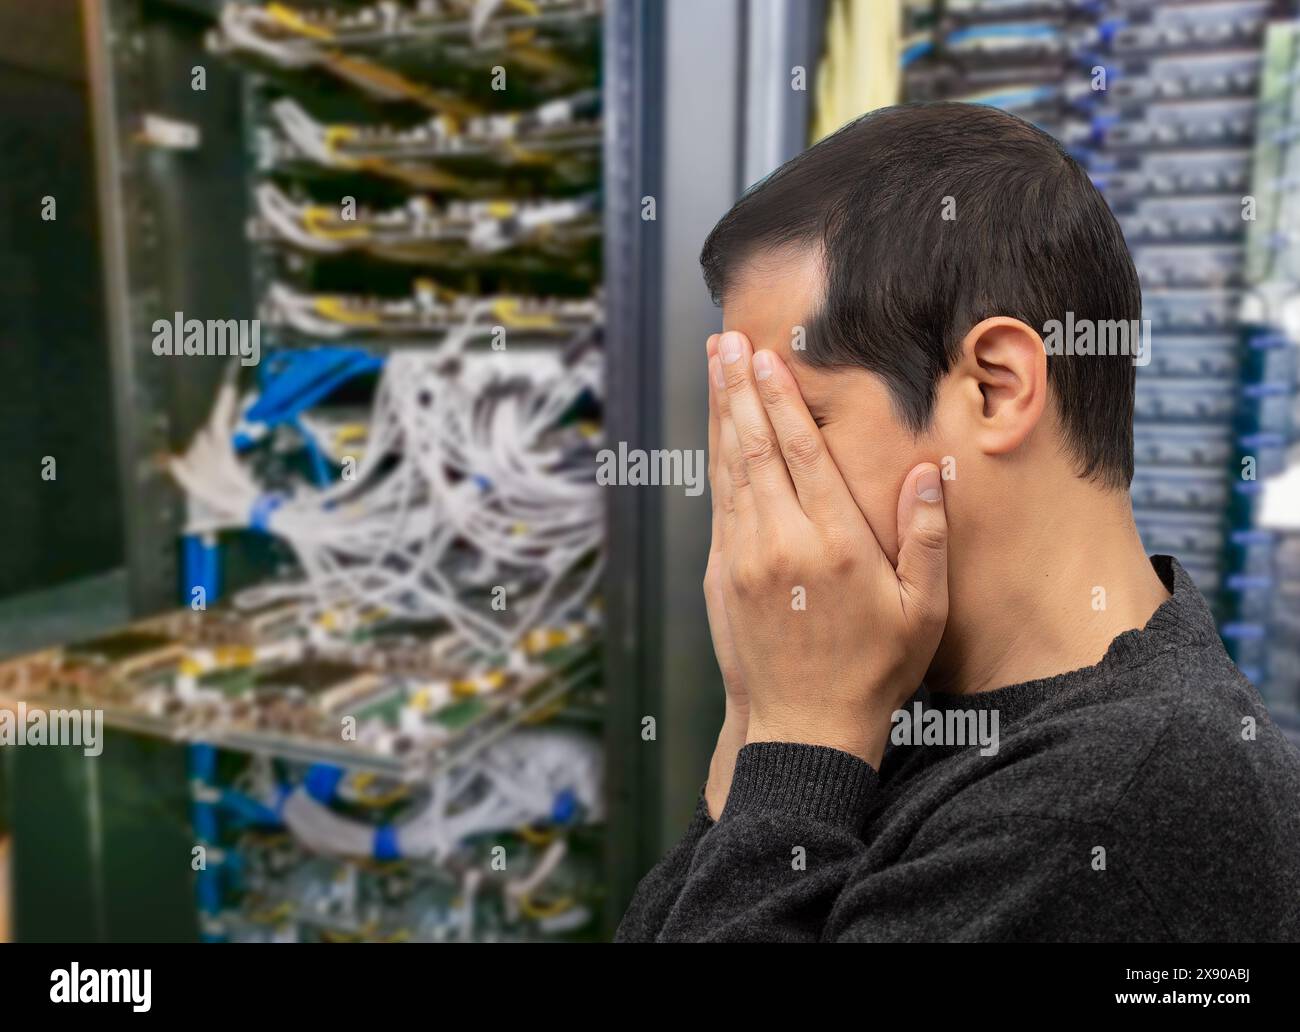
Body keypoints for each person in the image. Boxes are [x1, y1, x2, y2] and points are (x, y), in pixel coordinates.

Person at [616, 102, 1300, 942]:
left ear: (995, 388)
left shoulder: (1125, 796)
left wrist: (800, 740)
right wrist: (761, 718)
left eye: (798, 425)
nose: (757, 498)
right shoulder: (903, 703)